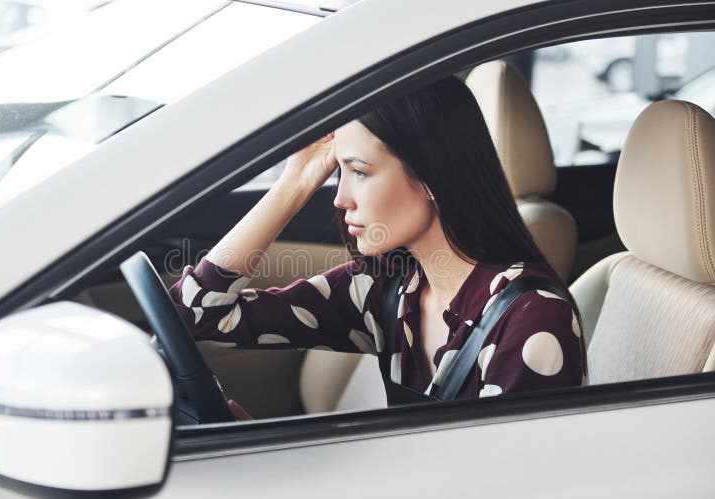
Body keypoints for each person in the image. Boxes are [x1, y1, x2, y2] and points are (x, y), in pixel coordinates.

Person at [169, 75, 584, 411]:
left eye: (360, 172)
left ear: (430, 177)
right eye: (339, 172)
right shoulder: (390, 287)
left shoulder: (532, 318)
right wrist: (294, 182)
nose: (339, 198)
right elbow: (196, 311)